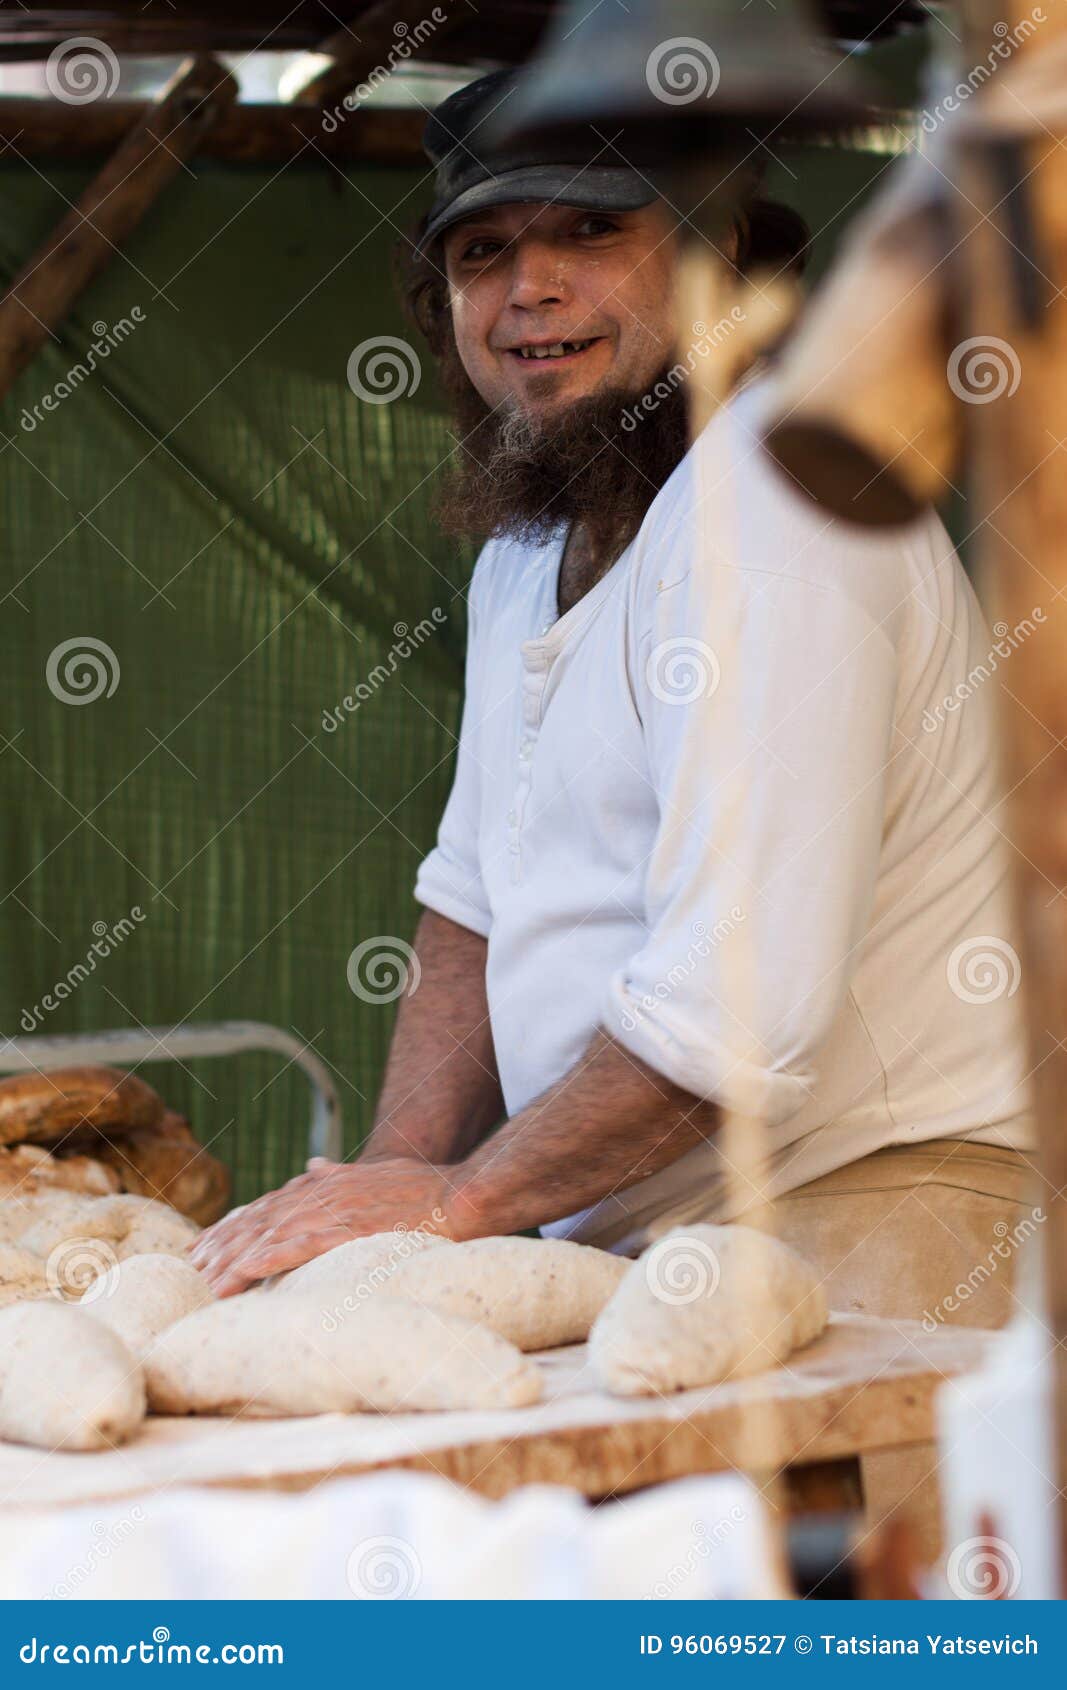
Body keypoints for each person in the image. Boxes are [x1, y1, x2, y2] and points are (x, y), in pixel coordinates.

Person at [192, 70, 1035, 1350]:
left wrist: (458, 1199)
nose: (528, 289)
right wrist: (380, 1181)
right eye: (481, 253)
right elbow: (472, 903)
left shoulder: (773, 507)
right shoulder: (528, 550)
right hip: (643, 1236)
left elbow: (731, 1010)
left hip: (876, 1216)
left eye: (592, 231)